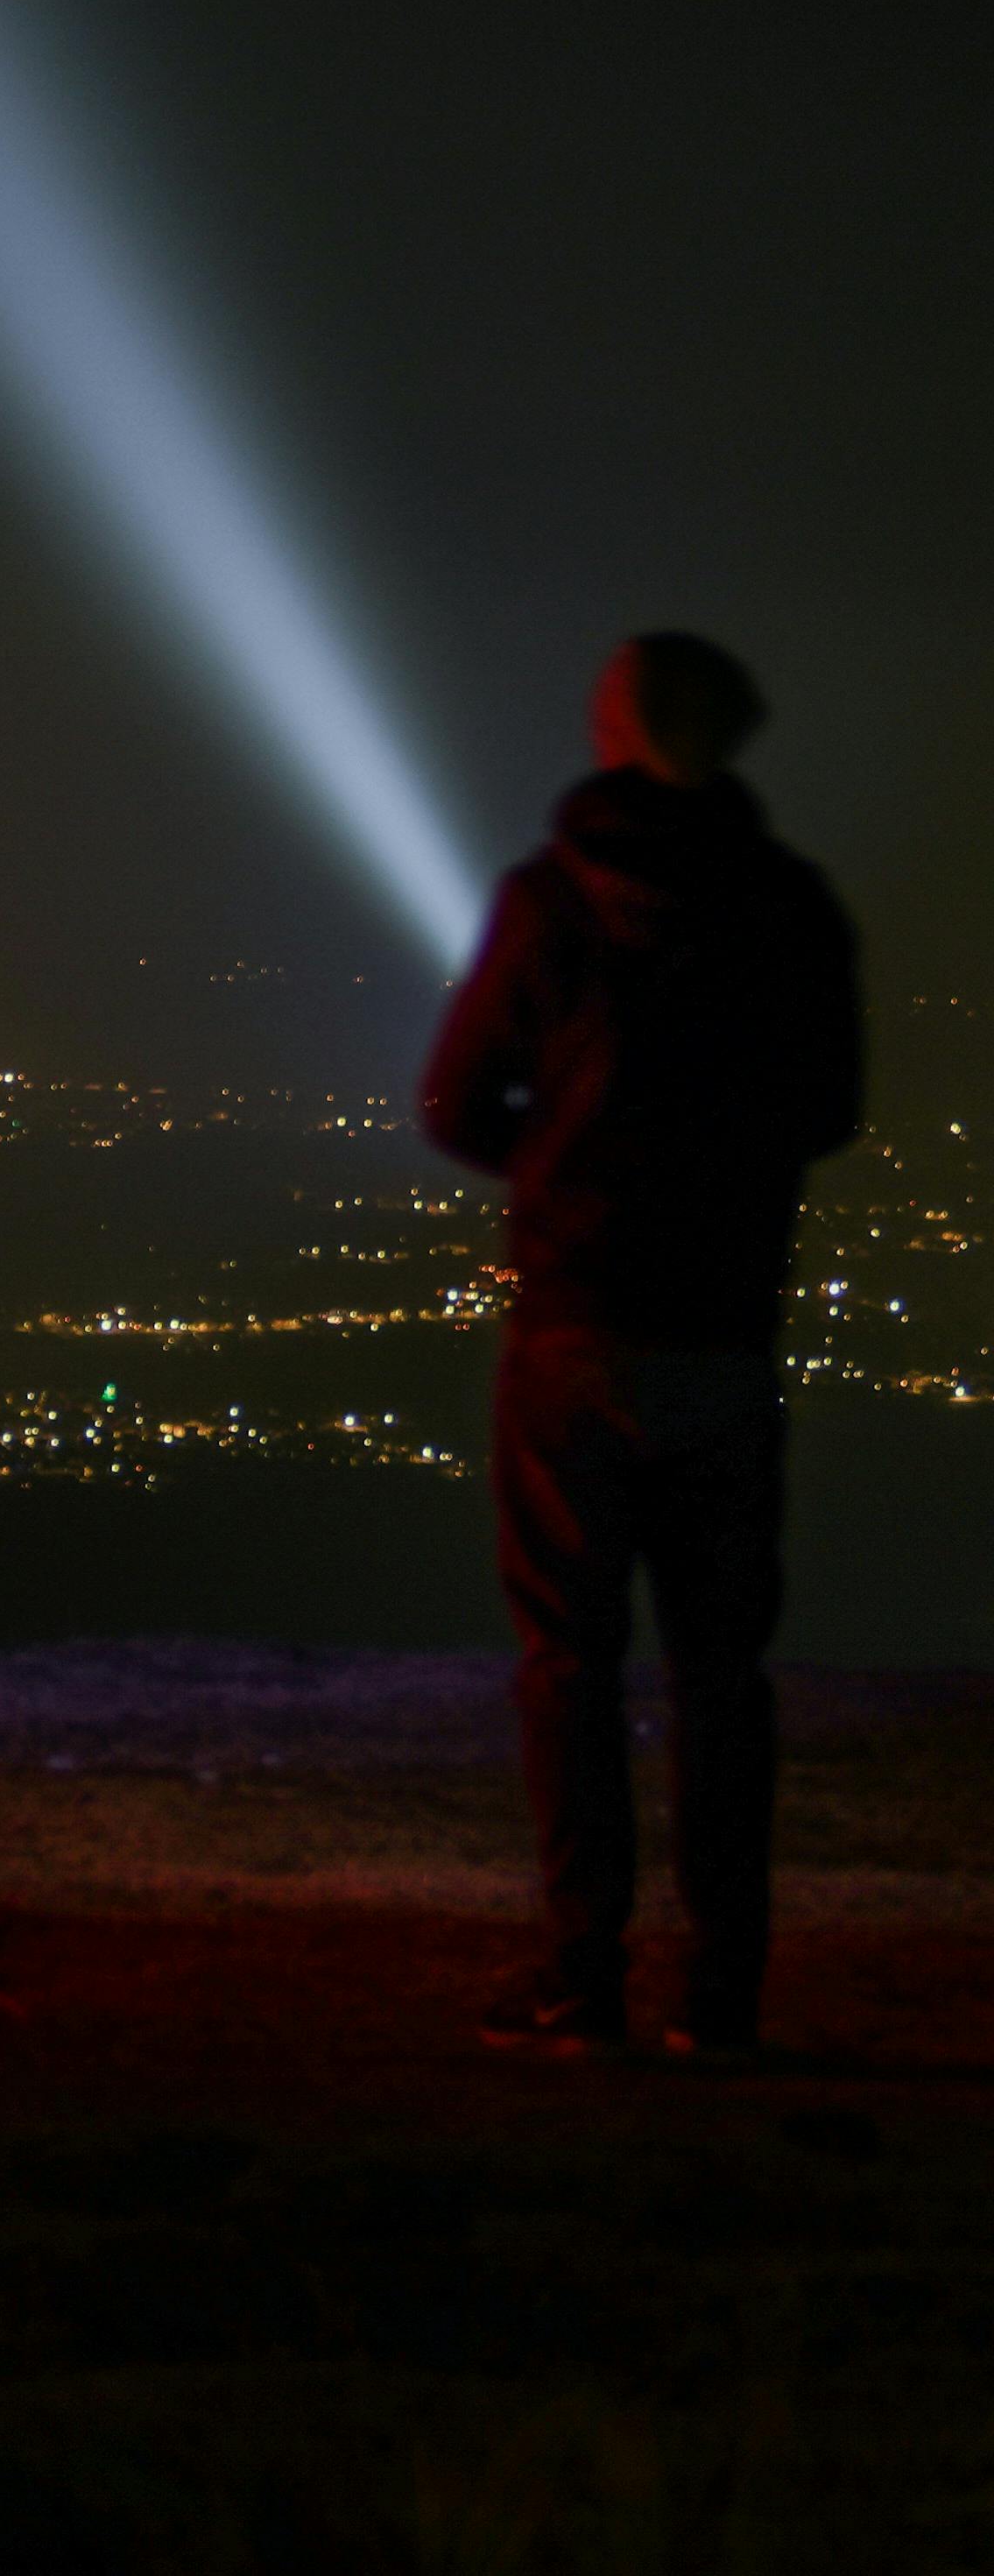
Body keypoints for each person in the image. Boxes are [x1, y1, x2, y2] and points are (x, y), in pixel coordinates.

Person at [419, 631, 863, 2059]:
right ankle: (723, 1990)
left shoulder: (549, 904)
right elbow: (832, 1106)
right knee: (724, 1675)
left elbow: (451, 1102)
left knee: (570, 1665)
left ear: (606, 730)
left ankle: (583, 1975)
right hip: (727, 1335)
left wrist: (558, 1174)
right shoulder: (794, 906)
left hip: (575, 1329)